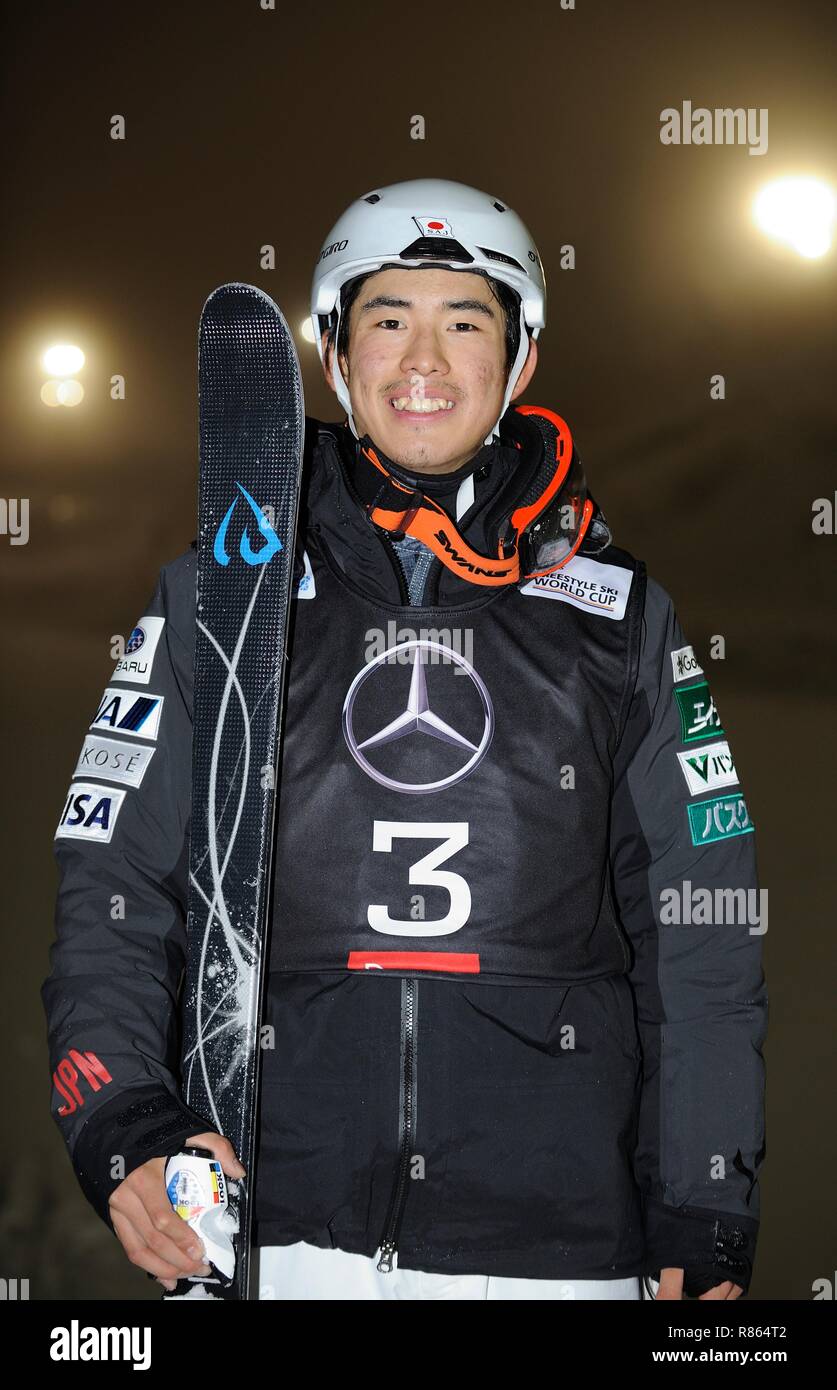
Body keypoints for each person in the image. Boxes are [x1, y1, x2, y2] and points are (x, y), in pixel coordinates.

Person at [42, 178, 767, 1302]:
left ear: (519, 361)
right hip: (273, 1229)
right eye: (386, 318)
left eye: (465, 320)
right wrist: (121, 1117)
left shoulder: (619, 616)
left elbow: (703, 929)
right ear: (335, 355)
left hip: (556, 1250)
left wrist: (708, 1199)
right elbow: (113, 883)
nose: (422, 359)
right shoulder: (222, 599)